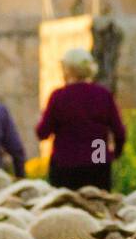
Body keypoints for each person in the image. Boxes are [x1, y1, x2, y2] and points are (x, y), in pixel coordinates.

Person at [36, 49, 126, 191]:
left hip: (65, 162)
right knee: (99, 206)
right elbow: (119, 132)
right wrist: (114, 154)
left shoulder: (59, 97)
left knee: (66, 208)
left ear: (67, 70)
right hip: (98, 158)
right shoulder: (103, 94)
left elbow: (43, 133)